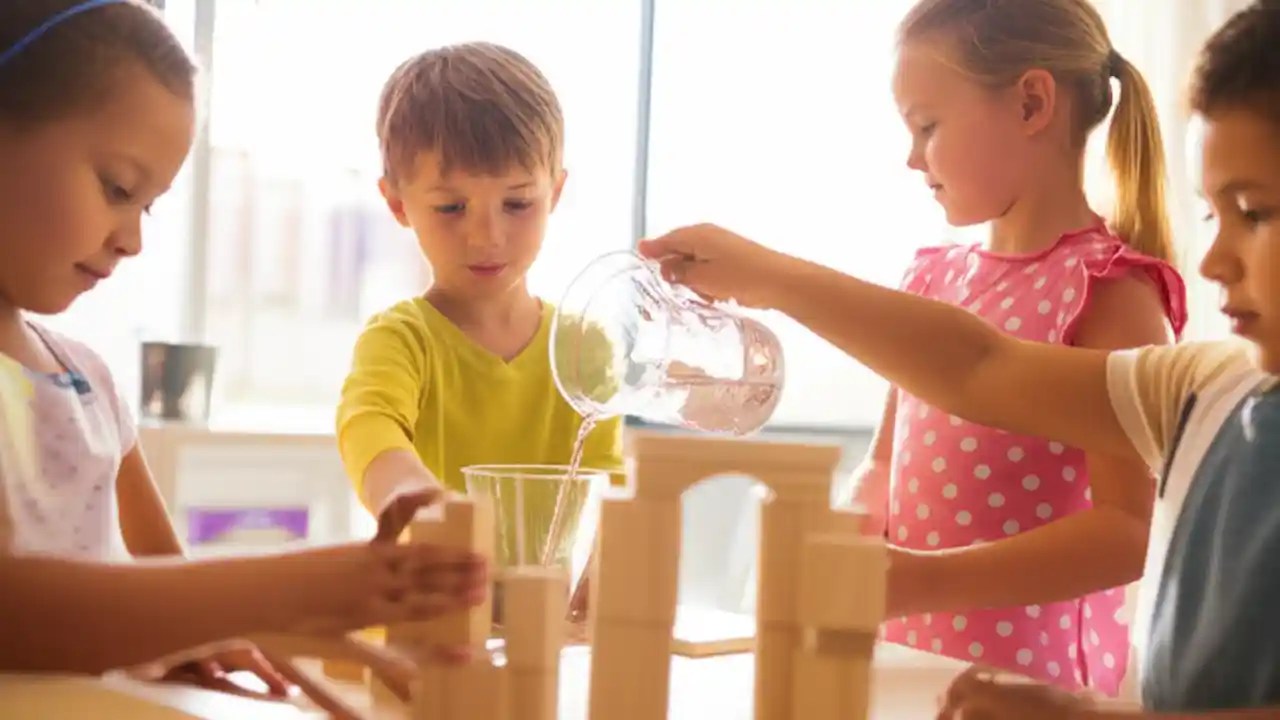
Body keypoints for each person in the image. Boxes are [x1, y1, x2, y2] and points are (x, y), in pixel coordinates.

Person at [640, 1, 1280, 713]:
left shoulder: (1111, 290)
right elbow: (924, 418)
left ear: (1033, 102)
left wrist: (923, 579)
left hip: (1033, 677)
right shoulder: (934, 279)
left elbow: (1123, 526)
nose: (913, 157)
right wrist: (840, 546)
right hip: (907, 649)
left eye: (928, 127)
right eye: (1213, 216)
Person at [0, 0, 486, 688]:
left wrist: (313, 644)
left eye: (148, 205)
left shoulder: (90, 386)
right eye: (116, 187)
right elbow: (19, 613)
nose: (133, 239)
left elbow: (165, 601)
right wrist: (313, 585)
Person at [335, 43, 623, 607]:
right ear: (397, 204)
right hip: (429, 620)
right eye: (451, 208)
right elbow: (369, 428)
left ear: (555, 193)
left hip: (549, 625)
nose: (486, 237)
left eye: (517, 204)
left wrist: (603, 571)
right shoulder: (402, 339)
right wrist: (420, 502)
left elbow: (606, 485)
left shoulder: (586, 349)